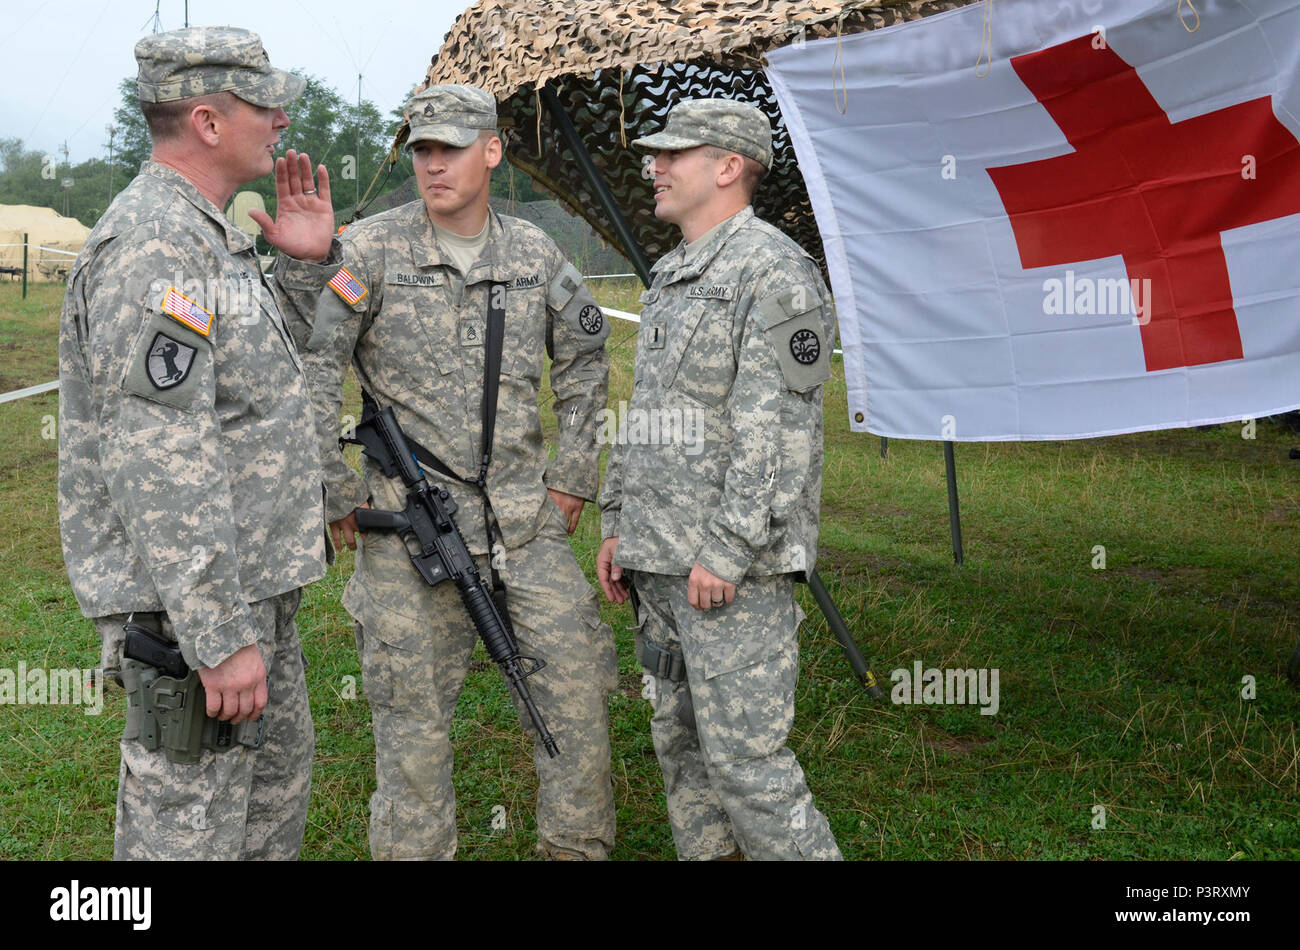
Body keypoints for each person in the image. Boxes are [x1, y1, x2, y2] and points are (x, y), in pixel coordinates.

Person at [292, 84, 617, 861]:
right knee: (412, 725)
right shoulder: (369, 249)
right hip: (408, 527)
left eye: (449, 148)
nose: (432, 165)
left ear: (492, 151)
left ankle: (574, 850)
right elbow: (312, 374)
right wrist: (338, 491)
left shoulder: (535, 254)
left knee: (576, 700)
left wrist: (572, 479)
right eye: (421, 151)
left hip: (523, 522)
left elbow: (584, 358)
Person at [57, 26, 339, 860]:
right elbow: (158, 459)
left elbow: (253, 388)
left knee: (260, 818)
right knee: (187, 833)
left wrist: (302, 267)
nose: (281, 118)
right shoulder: (154, 245)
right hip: (193, 618)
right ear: (210, 122)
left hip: (251, 587)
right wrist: (217, 636)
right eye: (264, 103)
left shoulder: (207, 233)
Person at [596, 98, 843, 861]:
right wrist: (617, 520)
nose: (655, 167)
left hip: (729, 574)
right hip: (661, 562)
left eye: (675, 154)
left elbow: (780, 435)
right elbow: (651, 410)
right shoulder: (674, 272)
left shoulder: (776, 272)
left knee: (748, 768)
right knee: (683, 755)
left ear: (730, 167)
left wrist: (729, 550)